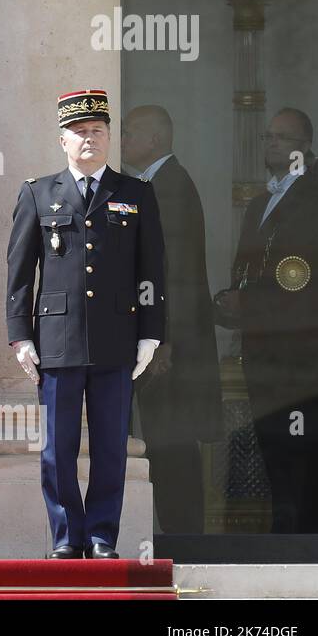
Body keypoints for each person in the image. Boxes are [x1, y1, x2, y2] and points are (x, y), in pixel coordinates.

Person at [6, 89, 165, 559]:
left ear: (109, 136)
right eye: (79, 132)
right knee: (57, 449)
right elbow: (19, 270)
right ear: (62, 140)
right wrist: (20, 335)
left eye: (97, 131)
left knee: (111, 446)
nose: (88, 139)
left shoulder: (135, 193)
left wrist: (151, 333)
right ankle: (65, 536)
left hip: (117, 337)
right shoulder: (37, 193)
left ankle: (100, 536)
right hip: (57, 337)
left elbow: (151, 268)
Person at [214, 108, 318, 533]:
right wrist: (231, 302)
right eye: (267, 136)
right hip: (262, 352)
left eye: (281, 137)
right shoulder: (260, 204)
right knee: (273, 448)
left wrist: (253, 305)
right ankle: (287, 532)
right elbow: (246, 270)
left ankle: (302, 538)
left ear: (305, 147)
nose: (271, 143)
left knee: (301, 451)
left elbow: (311, 284)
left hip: (303, 354)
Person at [121, 105, 221, 534]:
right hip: (163, 343)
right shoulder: (157, 183)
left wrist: (162, 341)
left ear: (155, 140)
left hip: (170, 348)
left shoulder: (170, 186)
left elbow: (175, 273)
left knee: (174, 448)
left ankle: (187, 546)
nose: (121, 139)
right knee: (165, 447)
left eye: (128, 132)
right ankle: (180, 541)